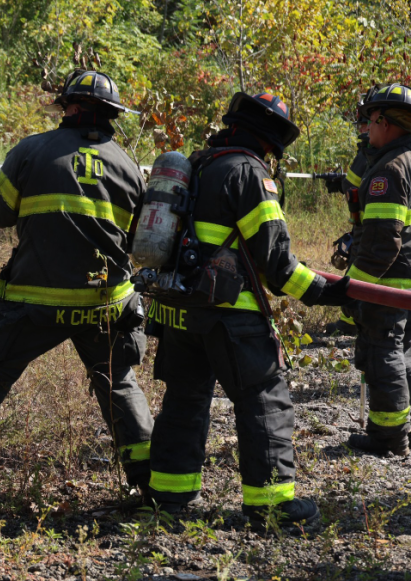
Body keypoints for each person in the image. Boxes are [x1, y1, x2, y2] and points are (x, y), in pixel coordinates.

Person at [0, 70, 154, 494]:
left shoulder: (32, 150)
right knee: (118, 382)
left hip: (33, 301)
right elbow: (141, 240)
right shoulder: (128, 167)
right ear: (112, 116)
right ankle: (148, 484)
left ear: (68, 108)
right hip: (104, 304)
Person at [145, 91, 353, 528]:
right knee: (264, 400)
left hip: (179, 311)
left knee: (184, 400)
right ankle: (273, 506)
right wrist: (327, 292)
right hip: (231, 317)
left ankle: (168, 494)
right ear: (272, 144)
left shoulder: (197, 165)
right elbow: (278, 266)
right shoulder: (250, 175)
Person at [344, 83, 411, 456]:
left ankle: (388, 437)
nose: (367, 129)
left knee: (382, 354)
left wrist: (354, 289)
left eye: (370, 121)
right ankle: (402, 428)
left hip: (390, 282)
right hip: (408, 284)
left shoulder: (389, 169)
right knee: (404, 354)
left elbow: (383, 243)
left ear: (385, 122)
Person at [325, 99, 371, 337]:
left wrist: (339, 183)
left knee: (356, 269)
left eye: (362, 124)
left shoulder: (369, 149)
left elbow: (351, 182)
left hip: (369, 226)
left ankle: (348, 323)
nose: (361, 129)